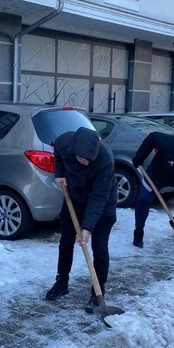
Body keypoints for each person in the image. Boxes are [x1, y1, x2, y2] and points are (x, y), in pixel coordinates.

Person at [44, 126, 118, 312]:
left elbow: (99, 197)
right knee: (65, 242)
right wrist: (59, 173)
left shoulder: (104, 159)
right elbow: (58, 153)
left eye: (88, 160)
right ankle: (62, 283)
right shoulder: (64, 141)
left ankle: (97, 292)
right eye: (81, 159)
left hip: (103, 204)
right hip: (74, 199)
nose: (84, 163)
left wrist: (87, 228)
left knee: (99, 248)